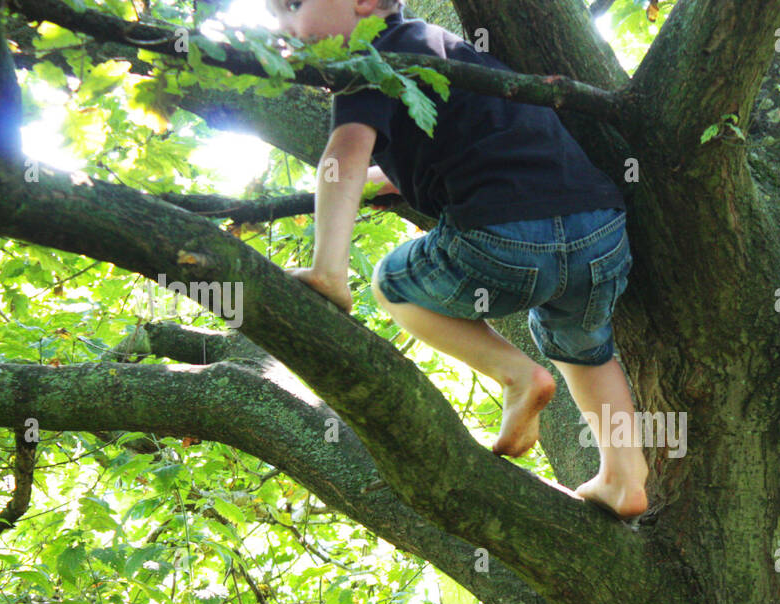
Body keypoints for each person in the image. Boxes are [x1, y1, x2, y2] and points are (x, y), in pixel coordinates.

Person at [268, 0, 648, 518]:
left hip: (505, 237)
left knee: (392, 282)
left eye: (291, 5)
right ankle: (624, 478)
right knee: (587, 352)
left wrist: (328, 269)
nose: (282, 26)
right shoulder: (445, 51)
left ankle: (516, 373)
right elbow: (473, 139)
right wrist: (395, 178)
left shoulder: (370, 61)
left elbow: (344, 154)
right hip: (599, 231)